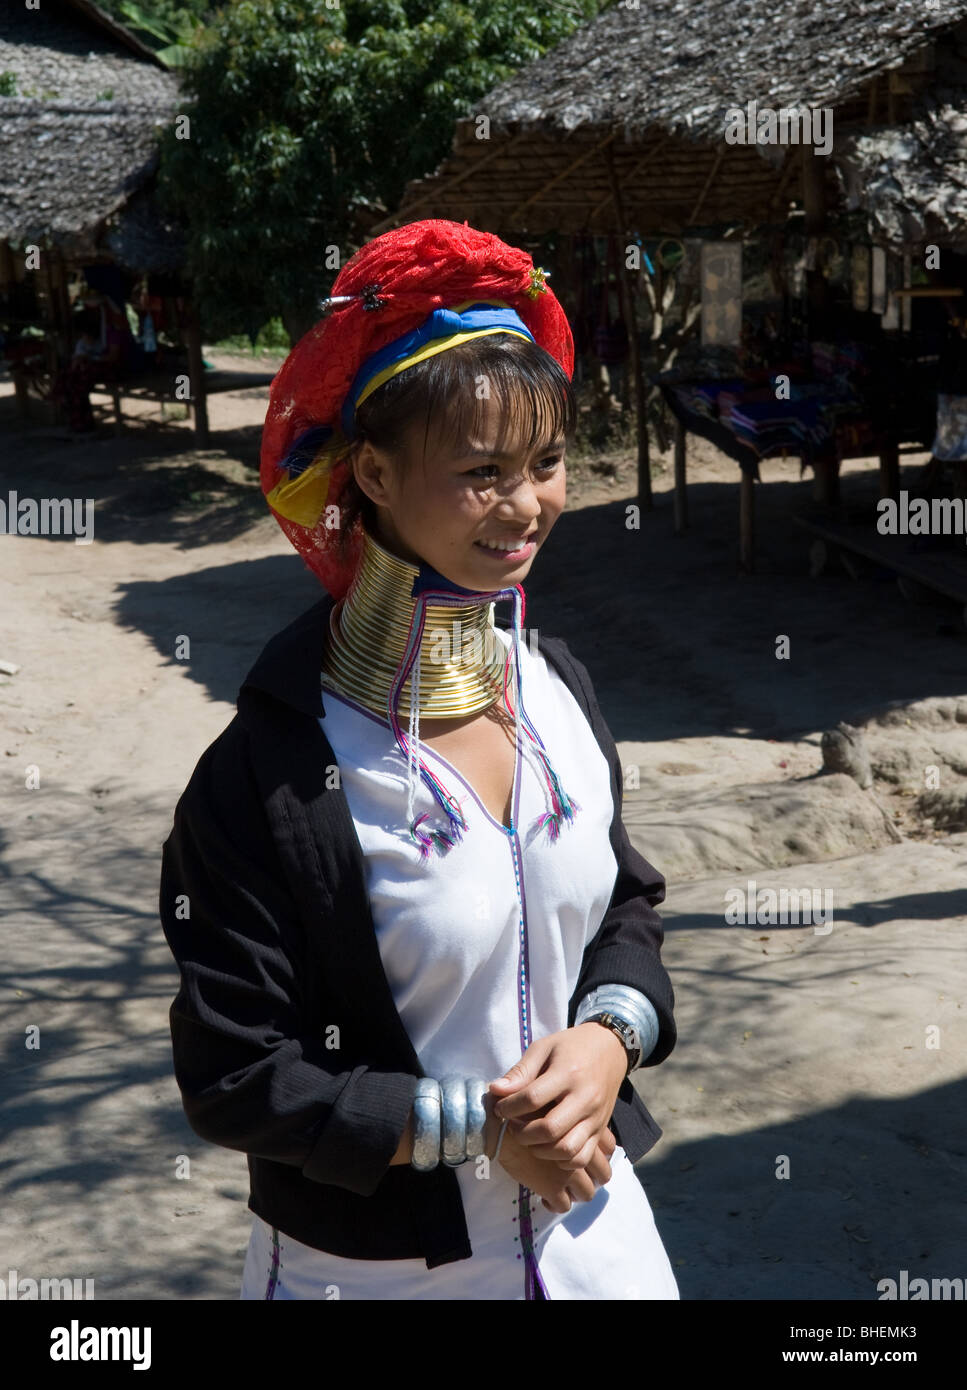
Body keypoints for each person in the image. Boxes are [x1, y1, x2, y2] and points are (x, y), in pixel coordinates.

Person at [159, 219, 679, 1301]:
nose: (528, 503)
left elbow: (625, 903)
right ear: (378, 474)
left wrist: (609, 1039)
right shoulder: (271, 773)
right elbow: (236, 1072)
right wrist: (477, 1132)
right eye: (481, 471)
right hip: (380, 1272)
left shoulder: (558, 690)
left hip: (599, 1242)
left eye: (545, 463)